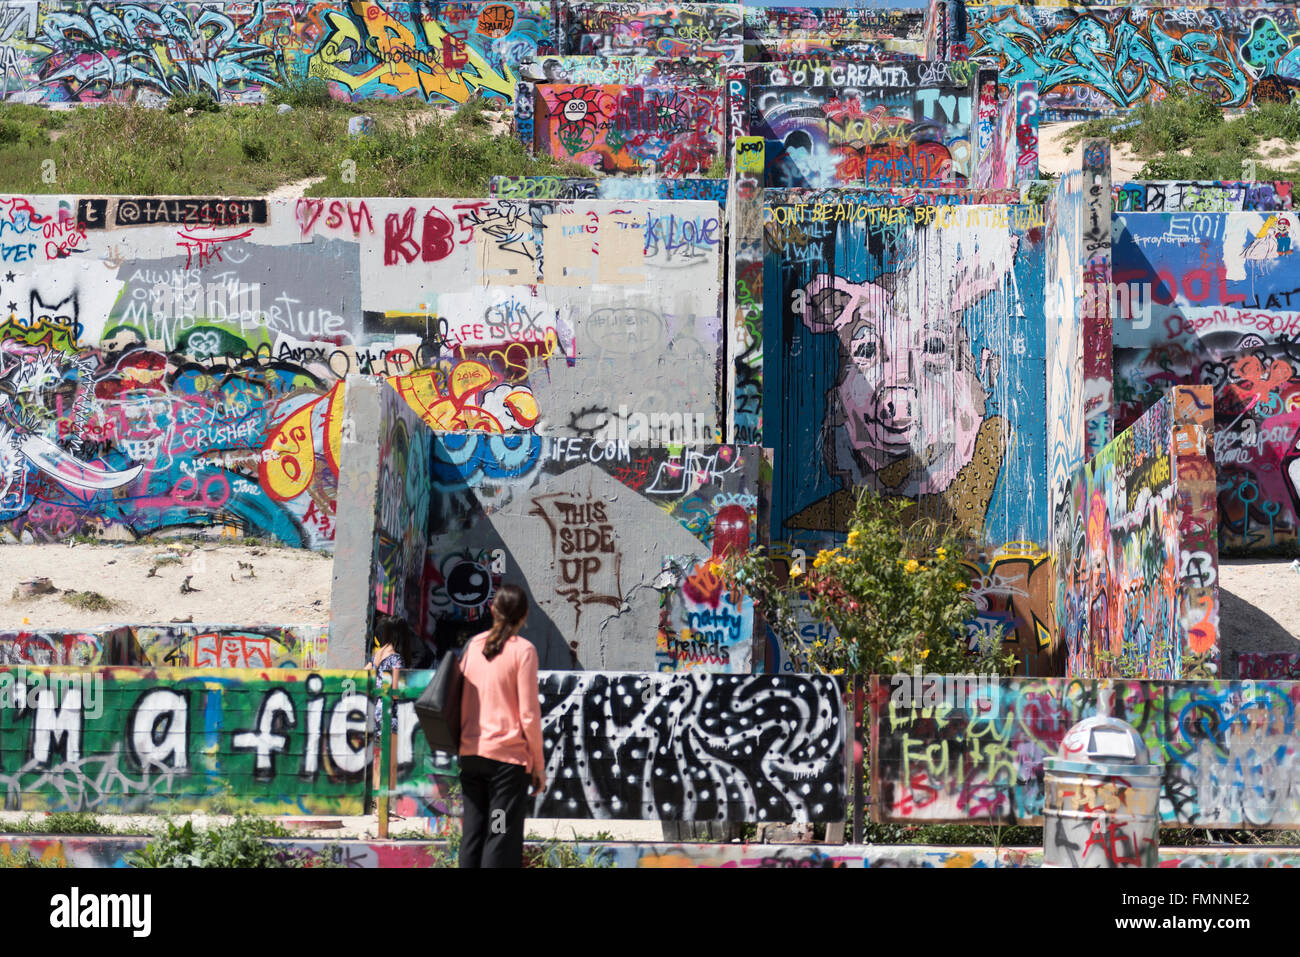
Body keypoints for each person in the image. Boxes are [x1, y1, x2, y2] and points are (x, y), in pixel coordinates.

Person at [457, 585, 546, 868]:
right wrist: (538, 765)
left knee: (472, 834)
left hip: (471, 756)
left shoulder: (473, 646)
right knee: (498, 833)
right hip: (504, 765)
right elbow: (529, 714)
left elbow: (458, 698)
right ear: (525, 615)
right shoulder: (523, 651)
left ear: (493, 610)